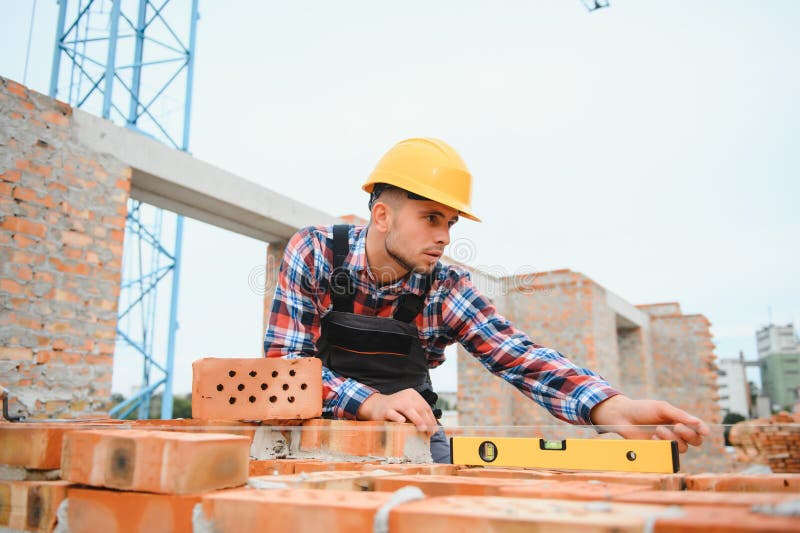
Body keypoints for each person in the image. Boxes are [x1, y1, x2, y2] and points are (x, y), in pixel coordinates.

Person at [264, 137, 709, 463]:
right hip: (318, 430)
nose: (444, 236)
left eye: (452, 222)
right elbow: (286, 366)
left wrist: (611, 407)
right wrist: (370, 402)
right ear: (382, 215)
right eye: (431, 218)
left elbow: (517, 354)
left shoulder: (444, 287)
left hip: (416, 436)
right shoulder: (316, 254)